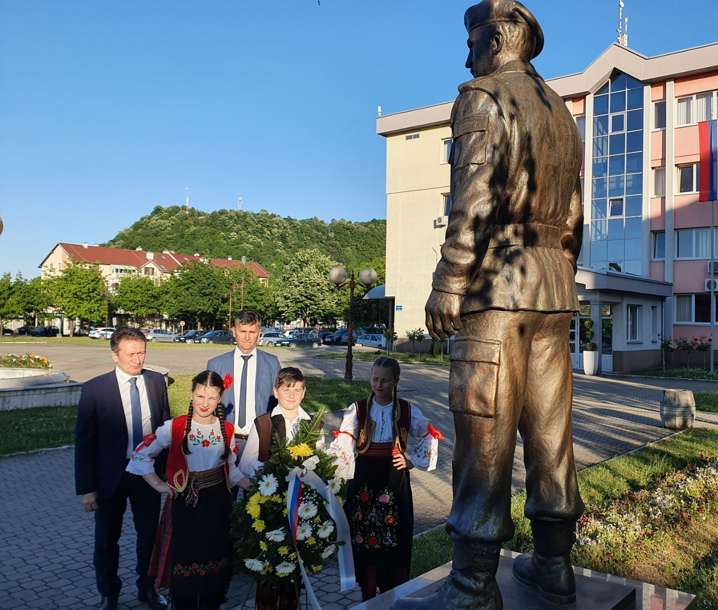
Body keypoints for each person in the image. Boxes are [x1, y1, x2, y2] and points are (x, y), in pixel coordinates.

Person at [397, 1, 585, 608]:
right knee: (552, 434)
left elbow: (472, 197)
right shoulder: (562, 114)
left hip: (497, 289)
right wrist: (560, 269)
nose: (468, 54)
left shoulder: (483, 98)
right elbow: (575, 216)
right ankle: (553, 564)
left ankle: (473, 582)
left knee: (485, 436)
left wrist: (451, 281)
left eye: (475, 39)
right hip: (553, 288)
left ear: (502, 35)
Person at [126, 370, 251, 610]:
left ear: (220, 398)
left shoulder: (227, 429)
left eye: (212, 397)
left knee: (215, 562)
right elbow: (142, 453)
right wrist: (159, 484)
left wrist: (256, 488)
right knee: (186, 561)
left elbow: (231, 470)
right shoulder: (176, 426)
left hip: (218, 505)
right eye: (200, 396)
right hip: (186, 503)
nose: (205, 403)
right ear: (192, 394)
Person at [74, 327, 170, 610]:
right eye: (131, 354)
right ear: (115, 355)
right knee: (106, 539)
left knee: (149, 536)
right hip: (110, 477)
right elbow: (84, 442)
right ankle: (109, 593)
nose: (137, 360)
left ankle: (148, 588)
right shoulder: (94, 389)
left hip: (147, 475)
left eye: (142, 353)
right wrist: (87, 489)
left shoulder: (155, 382)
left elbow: (164, 427)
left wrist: (167, 471)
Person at [329, 357, 440, 600]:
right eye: (375, 379)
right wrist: (343, 470)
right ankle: (368, 593)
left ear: (395, 381)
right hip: (364, 480)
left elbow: (429, 432)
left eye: (384, 380)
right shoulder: (357, 409)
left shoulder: (407, 409)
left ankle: (391, 592)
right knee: (364, 539)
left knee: (393, 537)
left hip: (394, 478)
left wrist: (411, 460)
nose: (378, 385)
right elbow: (346, 440)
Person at [206, 309, 280, 460]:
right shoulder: (216, 365)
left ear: (259, 332)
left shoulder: (272, 363)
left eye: (252, 332)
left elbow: (278, 405)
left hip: (260, 441)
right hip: (225, 441)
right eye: (242, 331)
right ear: (234, 331)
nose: (247, 337)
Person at [238, 366, 319, 478]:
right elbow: (245, 465)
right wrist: (268, 474)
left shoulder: (314, 424)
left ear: (303, 393)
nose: (292, 395)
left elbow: (321, 460)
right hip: (271, 489)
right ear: (276, 392)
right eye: (286, 390)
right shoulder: (263, 424)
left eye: (297, 390)